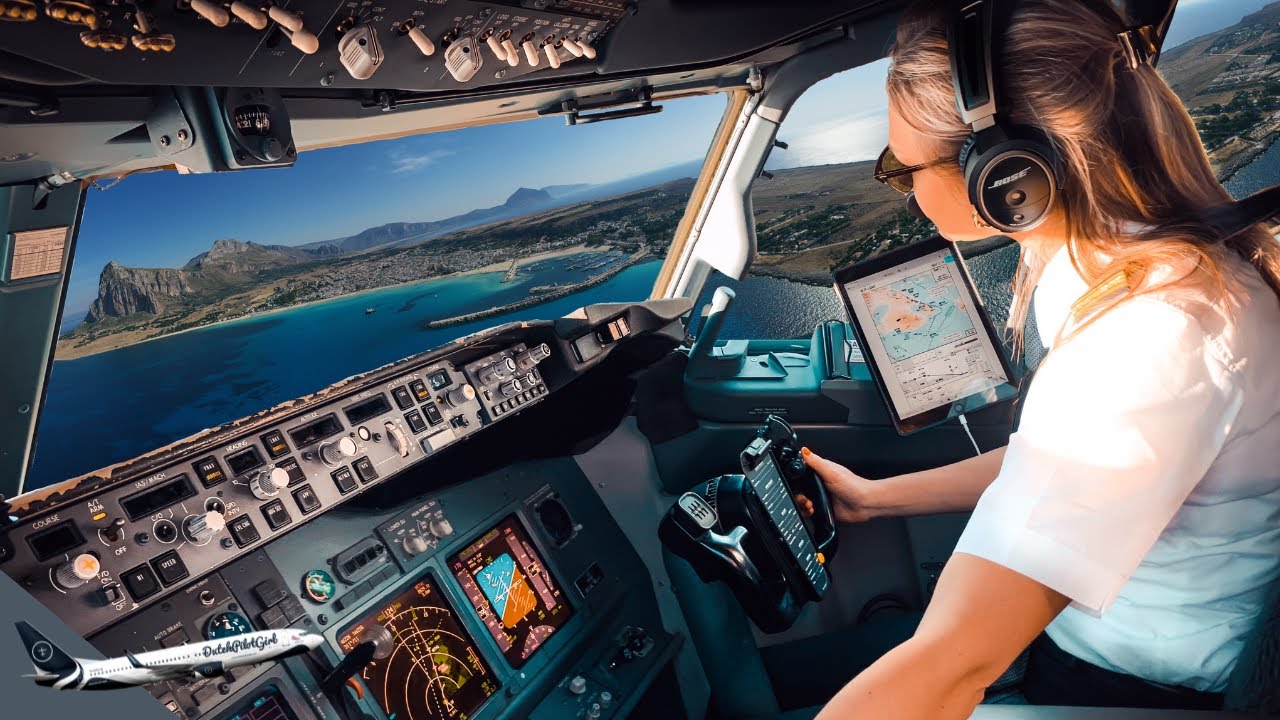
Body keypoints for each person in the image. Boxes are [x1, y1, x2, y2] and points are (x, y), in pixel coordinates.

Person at [796, 1, 1280, 717]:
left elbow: (954, 666)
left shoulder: (1154, 335)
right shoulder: (1152, 275)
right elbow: (1064, 459)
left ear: (1004, 172)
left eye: (904, 167)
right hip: (1099, 642)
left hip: (1132, 685)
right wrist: (874, 499)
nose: (904, 192)